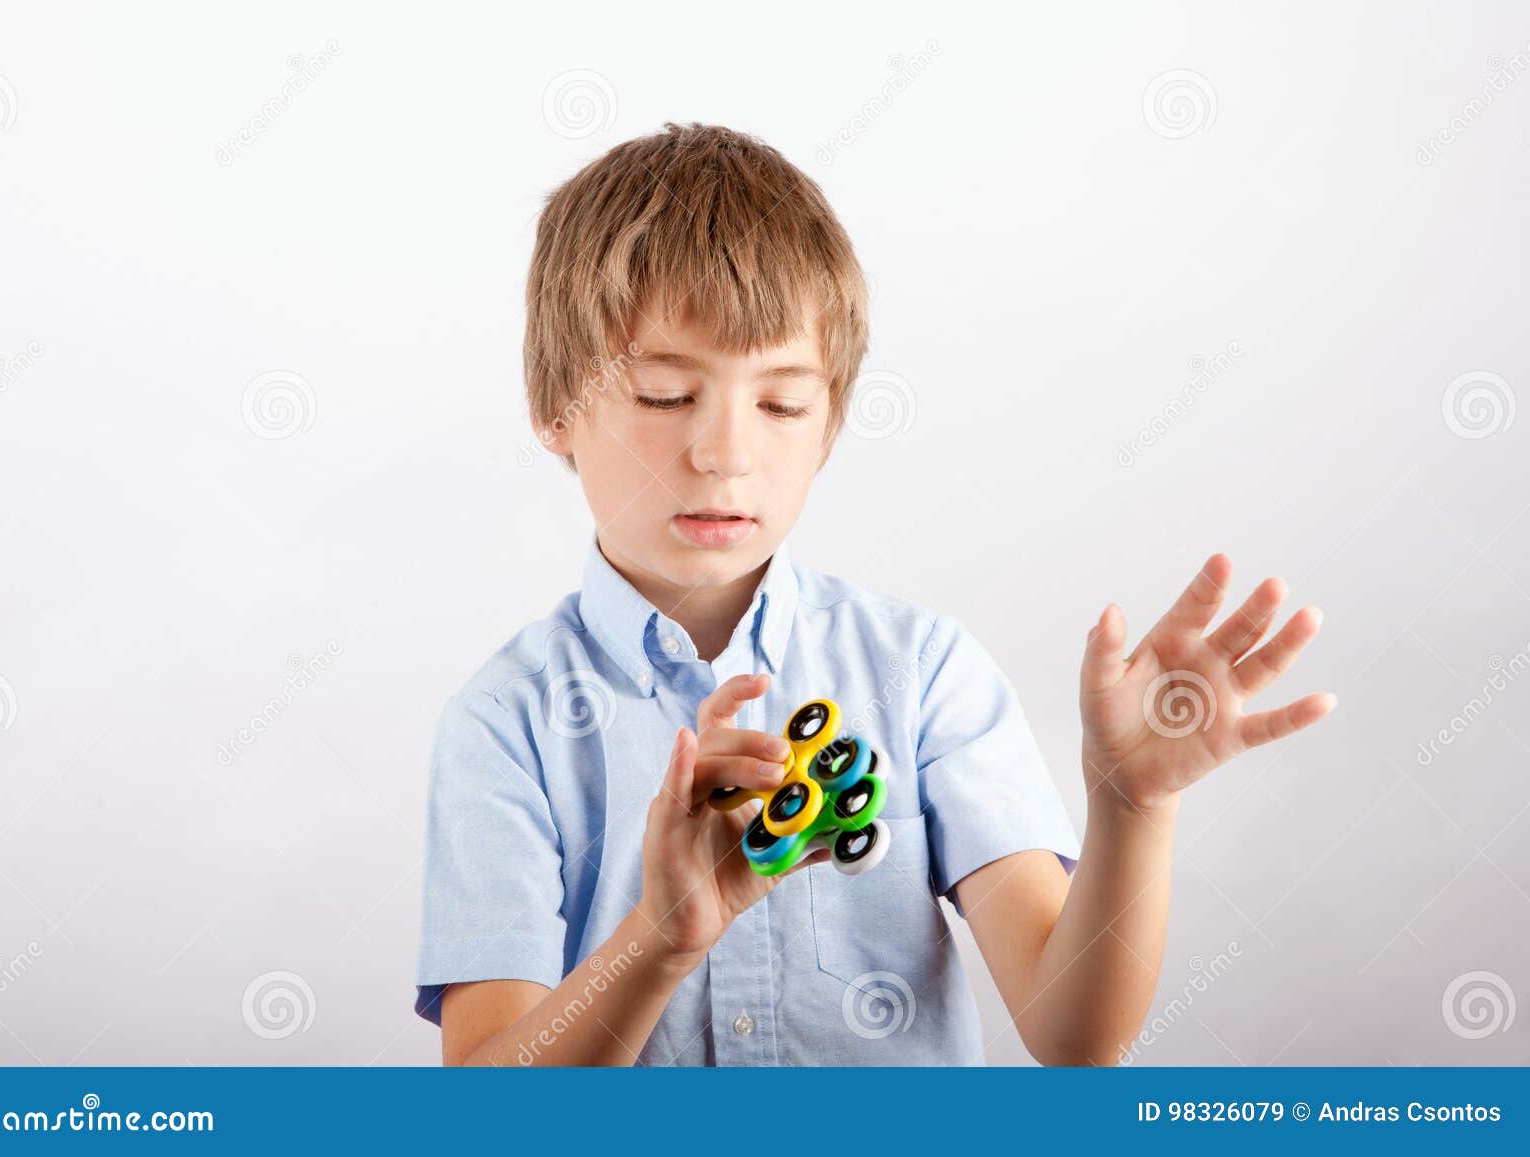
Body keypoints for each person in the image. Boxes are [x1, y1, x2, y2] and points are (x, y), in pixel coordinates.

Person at [414, 122, 1335, 1065]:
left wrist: (1132, 807)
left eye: (781, 404)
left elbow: (1076, 1035)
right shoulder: (506, 721)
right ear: (556, 407)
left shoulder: (923, 671)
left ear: (831, 424)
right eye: (662, 393)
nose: (727, 452)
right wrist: (660, 935)